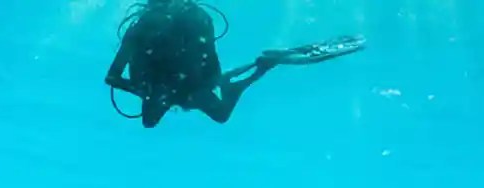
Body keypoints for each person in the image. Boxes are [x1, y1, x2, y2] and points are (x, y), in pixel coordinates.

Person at [104, 0, 365, 128]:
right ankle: (256, 70)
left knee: (217, 115)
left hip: (176, 85)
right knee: (217, 114)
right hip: (184, 84)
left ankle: (257, 70)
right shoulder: (195, 18)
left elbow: (113, 77)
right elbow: (209, 56)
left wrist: (147, 90)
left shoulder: (141, 28)